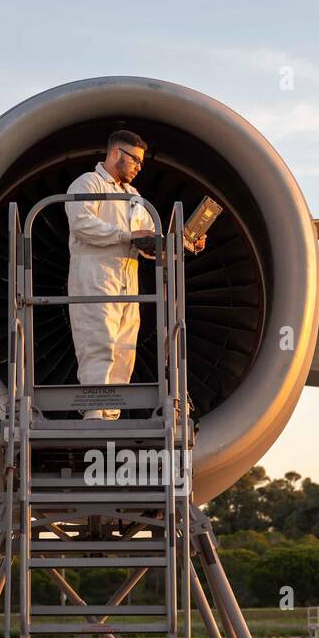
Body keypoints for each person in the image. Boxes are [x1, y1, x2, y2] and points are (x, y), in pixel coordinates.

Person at [64, 130, 204, 420]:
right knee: (98, 344)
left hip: (129, 283)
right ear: (116, 153)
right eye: (135, 160)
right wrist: (125, 235)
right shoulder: (87, 183)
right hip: (96, 279)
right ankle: (93, 414)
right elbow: (82, 224)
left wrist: (182, 244)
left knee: (124, 349)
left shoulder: (134, 197)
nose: (139, 167)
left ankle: (110, 416)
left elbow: (146, 241)